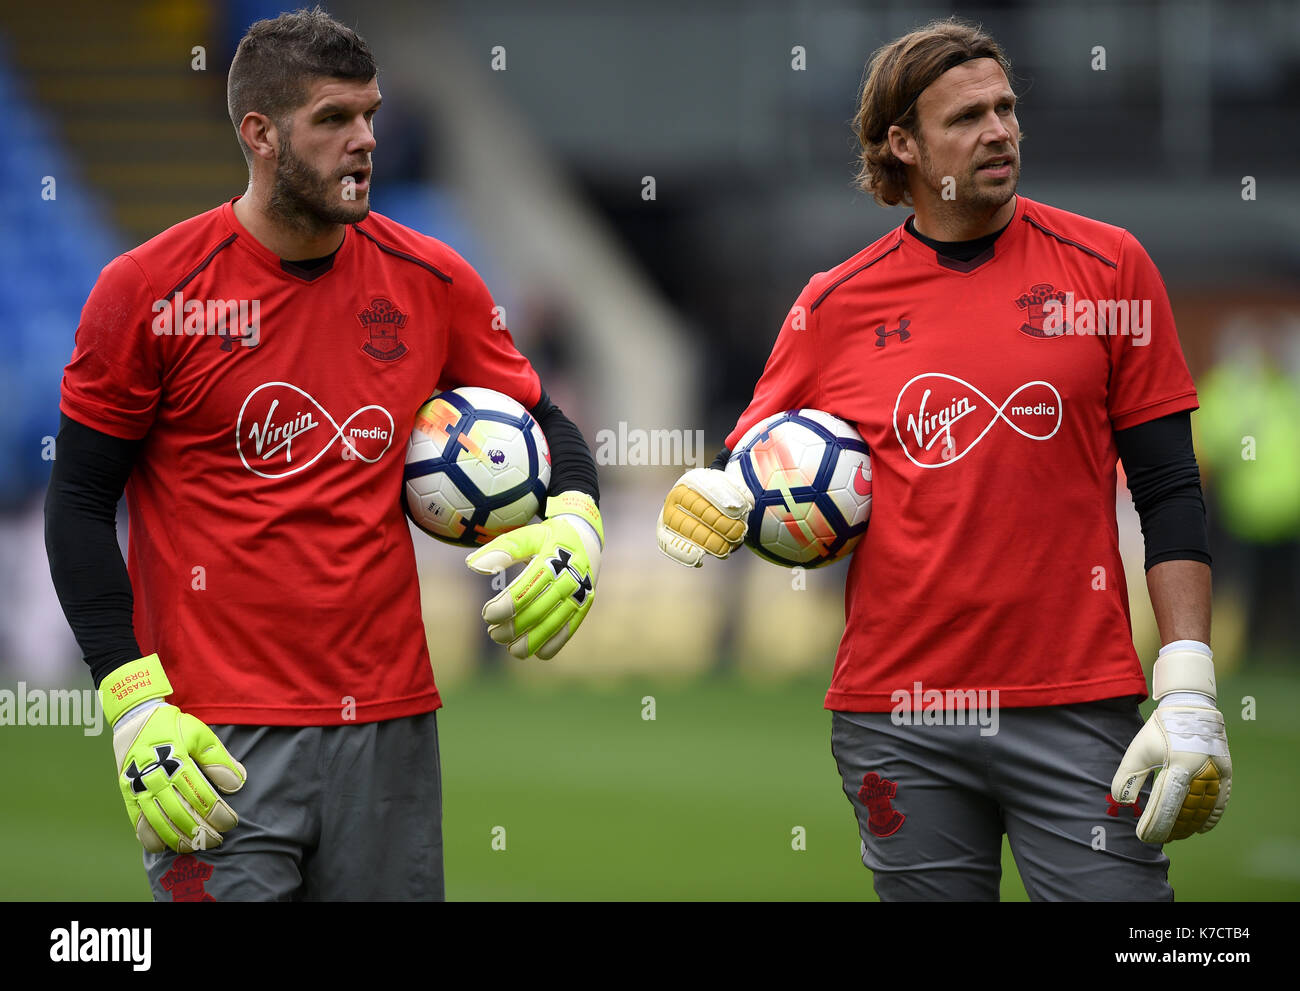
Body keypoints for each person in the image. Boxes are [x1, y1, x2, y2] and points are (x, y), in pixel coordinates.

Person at [657, 17, 1230, 901]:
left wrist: (1187, 681)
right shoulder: (833, 304)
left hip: (1075, 704)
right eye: (967, 117)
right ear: (903, 145)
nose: (1000, 131)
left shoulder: (1110, 269)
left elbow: (1168, 486)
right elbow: (748, 466)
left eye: (1006, 108)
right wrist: (708, 491)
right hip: (897, 716)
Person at [44, 7, 603, 902]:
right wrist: (131, 699)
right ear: (260, 134)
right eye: (334, 120)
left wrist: (577, 518)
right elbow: (76, 501)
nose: (366, 141)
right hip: (212, 739)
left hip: (389, 728)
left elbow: (550, 425)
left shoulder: (433, 279)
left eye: (372, 115)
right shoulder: (149, 291)